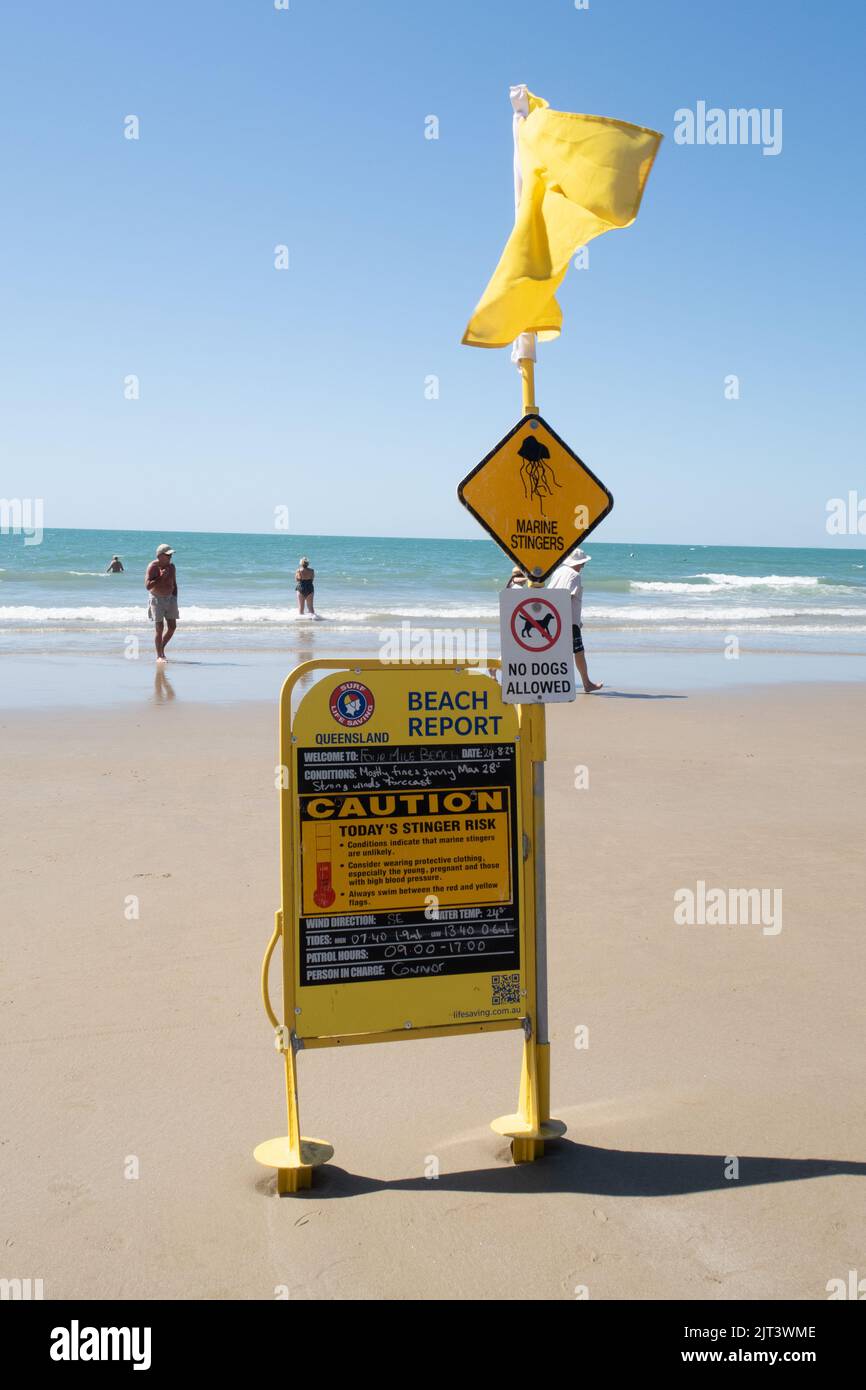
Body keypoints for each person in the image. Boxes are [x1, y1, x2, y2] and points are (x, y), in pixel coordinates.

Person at [547, 548, 602, 692]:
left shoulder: (558, 572)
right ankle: (586, 683)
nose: (583, 566)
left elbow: (552, 594)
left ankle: (553, 682)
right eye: (582, 563)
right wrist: (573, 622)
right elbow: (567, 598)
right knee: (578, 652)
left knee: (553, 652)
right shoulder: (574, 575)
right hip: (567, 622)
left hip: (556, 618)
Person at [145, 543, 179, 664]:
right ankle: (159, 655)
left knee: (172, 627)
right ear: (160, 555)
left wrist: (175, 598)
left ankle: (161, 647)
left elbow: (174, 583)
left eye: (171, 555)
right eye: (168, 555)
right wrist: (160, 577)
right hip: (157, 599)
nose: (170, 557)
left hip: (170, 599)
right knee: (159, 628)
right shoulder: (152, 567)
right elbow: (148, 586)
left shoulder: (172, 567)